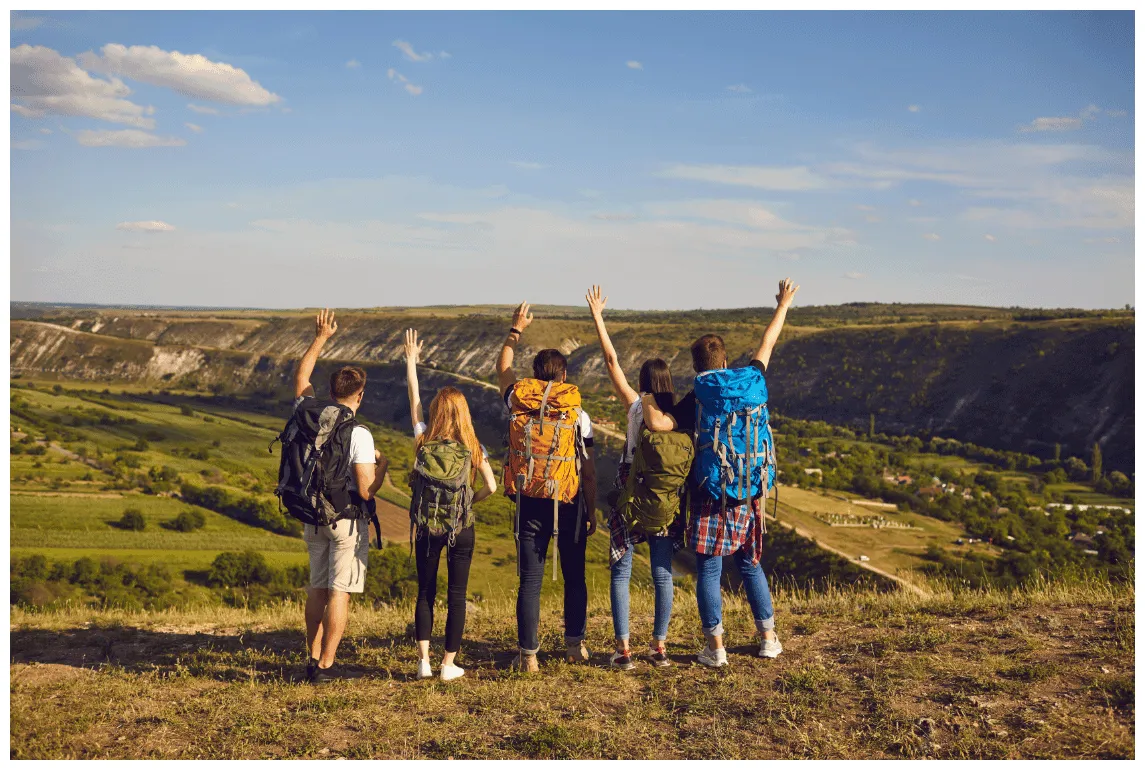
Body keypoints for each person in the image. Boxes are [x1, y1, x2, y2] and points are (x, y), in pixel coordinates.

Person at [641, 278, 799, 667]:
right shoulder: (751, 380)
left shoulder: (699, 396)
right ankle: (768, 638)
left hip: (712, 494)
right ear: (726, 361)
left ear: (697, 367)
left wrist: (646, 397)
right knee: (750, 564)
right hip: (750, 489)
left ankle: (716, 649)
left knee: (709, 569)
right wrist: (782, 305)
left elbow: (661, 426)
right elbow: (768, 343)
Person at [497, 302, 598, 673]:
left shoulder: (517, 403)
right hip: (568, 500)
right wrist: (592, 509)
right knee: (574, 576)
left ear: (536, 376)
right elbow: (586, 468)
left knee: (531, 580)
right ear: (565, 374)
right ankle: (574, 647)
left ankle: (528, 657)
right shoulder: (578, 414)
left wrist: (516, 329)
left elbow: (502, 368)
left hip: (528, 498)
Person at [586, 285, 683, 670]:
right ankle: (659, 647)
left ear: (644, 383)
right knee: (663, 573)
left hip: (629, 493)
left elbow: (611, 363)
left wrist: (598, 315)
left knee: (621, 570)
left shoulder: (635, 409)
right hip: (665, 497)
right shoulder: (680, 414)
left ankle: (623, 649)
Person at [292, 309, 388, 683]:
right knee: (339, 590)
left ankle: (311, 655)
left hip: (310, 512)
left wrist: (321, 337)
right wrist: (383, 469)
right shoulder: (359, 433)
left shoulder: (308, 412)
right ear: (359, 395)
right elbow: (365, 489)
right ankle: (327, 666)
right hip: (344, 519)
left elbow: (301, 376)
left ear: (331, 391)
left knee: (316, 585)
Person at [403, 329, 498, 682]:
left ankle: (423, 662)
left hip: (427, 525)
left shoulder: (423, 441)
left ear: (436, 412)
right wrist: (468, 502)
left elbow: (413, 399)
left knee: (425, 591)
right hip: (461, 527)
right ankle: (447, 665)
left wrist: (411, 362)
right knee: (455, 595)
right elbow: (492, 485)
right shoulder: (473, 446)